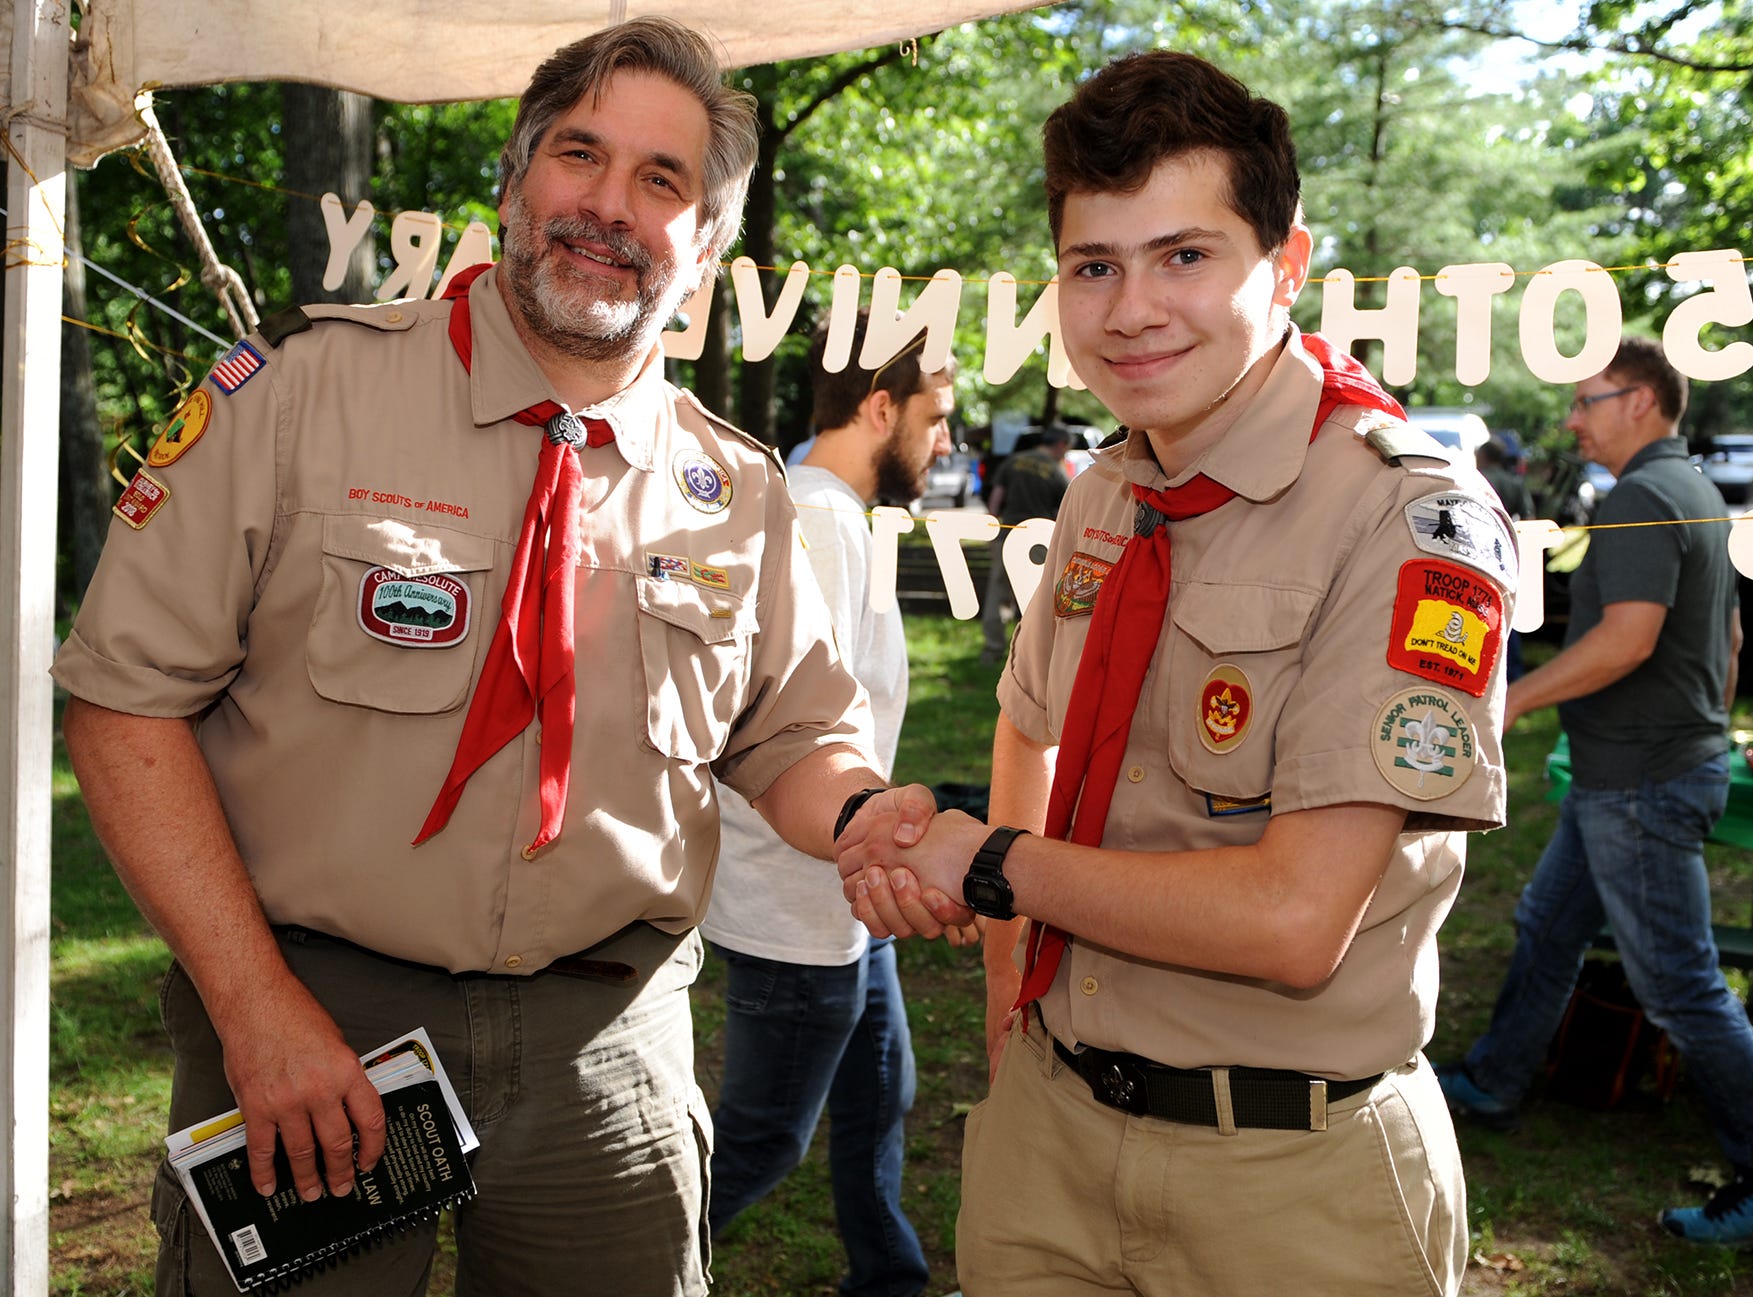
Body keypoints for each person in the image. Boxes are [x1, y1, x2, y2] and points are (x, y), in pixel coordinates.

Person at [52, 18, 933, 1295]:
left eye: (660, 179)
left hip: (605, 1052)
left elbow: (788, 734)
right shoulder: (300, 394)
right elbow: (123, 705)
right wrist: (253, 1006)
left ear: (703, 244)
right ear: (515, 180)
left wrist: (860, 815)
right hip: (315, 1028)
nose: (608, 205)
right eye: (580, 155)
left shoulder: (735, 490)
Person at [837, 50, 1515, 1295]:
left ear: (1286, 264)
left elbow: (1294, 920)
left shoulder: (1405, 518)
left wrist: (990, 865)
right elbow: (1029, 724)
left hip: (1288, 1179)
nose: (1131, 310)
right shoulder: (1107, 490)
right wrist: (1008, 985)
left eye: (1184, 256)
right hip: (1051, 1132)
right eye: (1093, 265)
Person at [1436, 338, 1753, 1252]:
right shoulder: (1693, 489)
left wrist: (1509, 700)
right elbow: (1730, 638)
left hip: (1642, 782)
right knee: (1547, 928)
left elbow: (1627, 640)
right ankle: (1494, 1080)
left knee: (1681, 985)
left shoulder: (1644, 497)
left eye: (1588, 400)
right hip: (1633, 773)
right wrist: (1706, 730)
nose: (1572, 419)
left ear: (1642, 401)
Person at [701, 314, 955, 1297]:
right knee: (764, 1138)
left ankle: (887, 1279)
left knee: (881, 1091)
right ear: (881, 407)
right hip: (799, 902)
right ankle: (615, 1263)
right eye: (936, 416)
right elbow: (784, 733)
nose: (945, 441)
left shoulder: (825, 510)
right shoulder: (817, 520)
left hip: (847, 892)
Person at [979, 424, 1073, 665]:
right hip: (1037, 541)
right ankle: (1030, 654)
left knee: (998, 591)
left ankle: (992, 649)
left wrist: (993, 528)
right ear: (1061, 444)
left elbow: (996, 498)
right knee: (1034, 596)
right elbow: (1066, 509)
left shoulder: (1013, 461)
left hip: (1007, 535)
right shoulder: (1056, 471)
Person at [1476, 438, 1535, 682]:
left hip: (1480, 552)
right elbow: (1529, 516)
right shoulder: (1515, 483)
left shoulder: (1477, 479)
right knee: (1508, 608)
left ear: (1483, 456)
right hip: (1508, 553)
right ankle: (1513, 672)